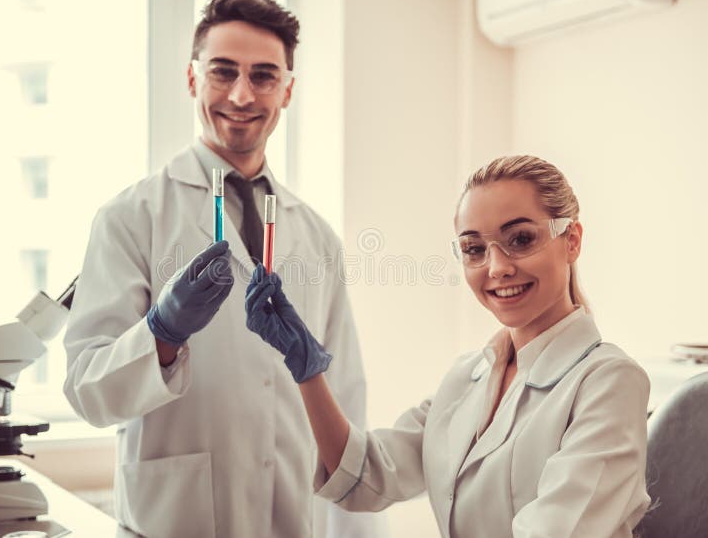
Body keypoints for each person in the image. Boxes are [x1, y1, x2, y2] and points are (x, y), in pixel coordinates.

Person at [64, 0, 383, 538]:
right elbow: (88, 393)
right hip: (173, 520)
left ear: (287, 90)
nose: (241, 94)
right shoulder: (131, 217)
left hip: (292, 519)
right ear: (192, 78)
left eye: (263, 76)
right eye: (223, 71)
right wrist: (162, 334)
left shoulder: (317, 236)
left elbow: (345, 402)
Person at [245, 155, 651, 537]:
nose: (497, 267)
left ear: (572, 239)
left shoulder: (609, 382)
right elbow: (363, 476)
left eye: (521, 239)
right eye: (474, 249)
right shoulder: (467, 378)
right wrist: (308, 371)